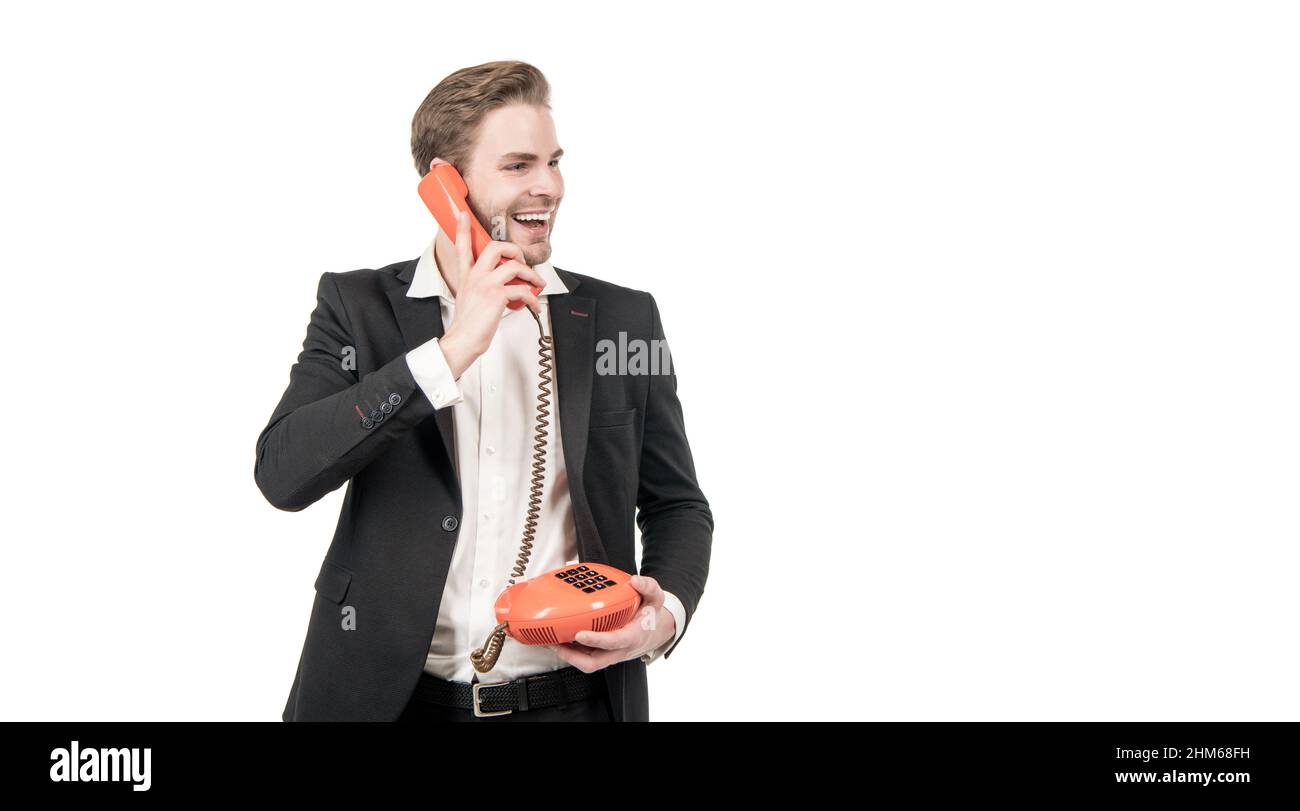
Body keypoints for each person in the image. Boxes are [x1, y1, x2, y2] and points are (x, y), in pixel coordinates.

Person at [255, 60, 712, 721]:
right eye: (518, 165)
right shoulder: (358, 307)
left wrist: (660, 618)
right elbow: (282, 473)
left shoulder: (623, 319)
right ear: (446, 182)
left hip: (572, 701)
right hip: (386, 701)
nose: (549, 186)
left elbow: (678, 505)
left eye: (554, 162)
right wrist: (447, 354)